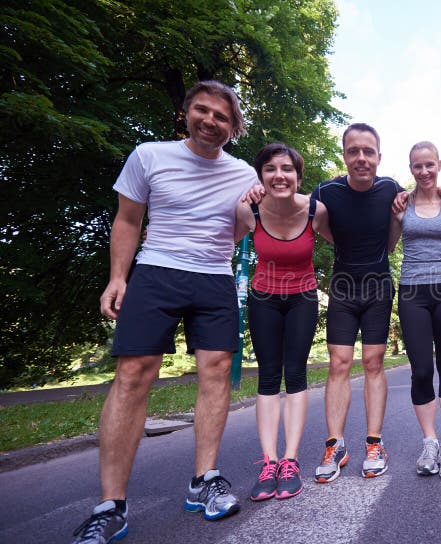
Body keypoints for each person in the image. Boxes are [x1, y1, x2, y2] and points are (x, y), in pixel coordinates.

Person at [74, 81, 257, 543]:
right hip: (156, 271)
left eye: (221, 116)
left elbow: (238, 234)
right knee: (134, 373)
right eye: (202, 110)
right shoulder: (149, 155)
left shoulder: (243, 176)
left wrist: (243, 217)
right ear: (186, 112)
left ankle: (204, 480)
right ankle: (110, 505)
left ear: (233, 127)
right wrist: (119, 278)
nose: (210, 121)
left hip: (213, 277)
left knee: (215, 371)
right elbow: (128, 219)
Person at [234, 143, 332, 502]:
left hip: (303, 297)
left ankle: (290, 461)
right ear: (261, 176)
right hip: (264, 298)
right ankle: (269, 462)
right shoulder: (249, 211)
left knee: (296, 374)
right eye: (271, 169)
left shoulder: (315, 211)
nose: (280, 175)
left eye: (287, 169)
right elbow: (215, 242)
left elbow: (349, 241)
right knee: (268, 375)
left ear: (299, 176)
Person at [310, 123, 404, 482]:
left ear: (379, 156)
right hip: (344, 286)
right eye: (353, 151)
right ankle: (335, 445)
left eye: (368, 151)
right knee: (339, 363)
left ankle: (374, 443)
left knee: (373, 361)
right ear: (345, 155)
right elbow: (319, 227)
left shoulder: (391, 188)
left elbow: (393, 240)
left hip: (379, 285)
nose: (361, 158)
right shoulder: (326, 191)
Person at [388, 141, 441, 479]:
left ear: (439, 164)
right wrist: (394, 216)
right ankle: (429, 442)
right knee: (421, 369)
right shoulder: (401, 204)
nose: (424, 171)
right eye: (417, 166)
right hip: (412, 292)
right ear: (411, 169)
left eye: (429, 165)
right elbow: (390, 245)